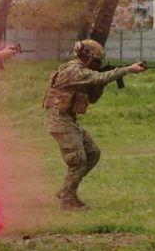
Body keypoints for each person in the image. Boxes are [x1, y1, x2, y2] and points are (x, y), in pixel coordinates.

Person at [43, 39, 145, 209]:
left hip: (68, 120)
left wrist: (102, 83)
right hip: (59, 120)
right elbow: (99, 77)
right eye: (97, 61)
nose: (98, 64)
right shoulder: (73, 70)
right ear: (86, 57)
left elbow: (93, 98)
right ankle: (68, 201)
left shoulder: (84, 72)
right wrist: (127, 70)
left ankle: (65, 191)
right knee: (78, 160)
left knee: (92, 153)